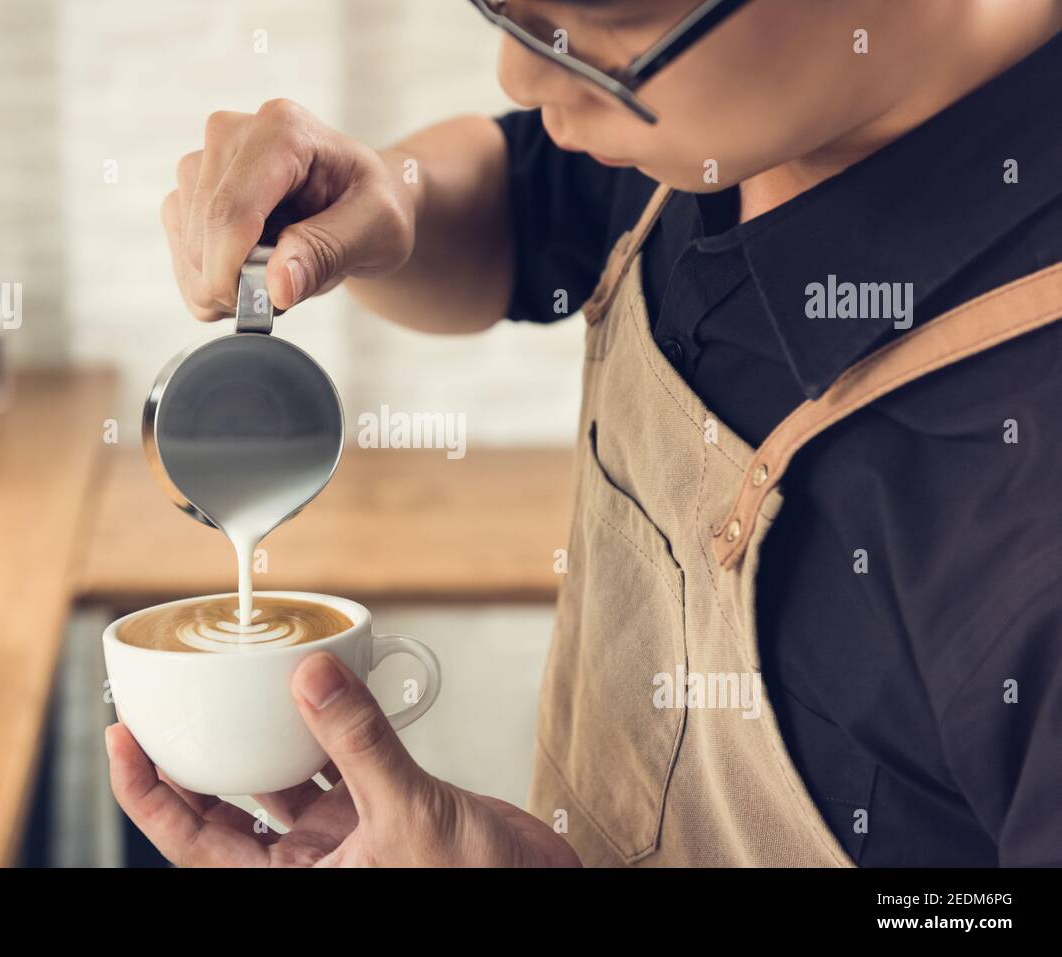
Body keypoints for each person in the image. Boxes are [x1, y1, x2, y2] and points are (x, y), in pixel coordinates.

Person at [106, 0, 1062, 866]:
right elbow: (524, 201)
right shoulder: (723, 132)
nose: (521, 75)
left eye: (615, 16)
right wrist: (394, 197)